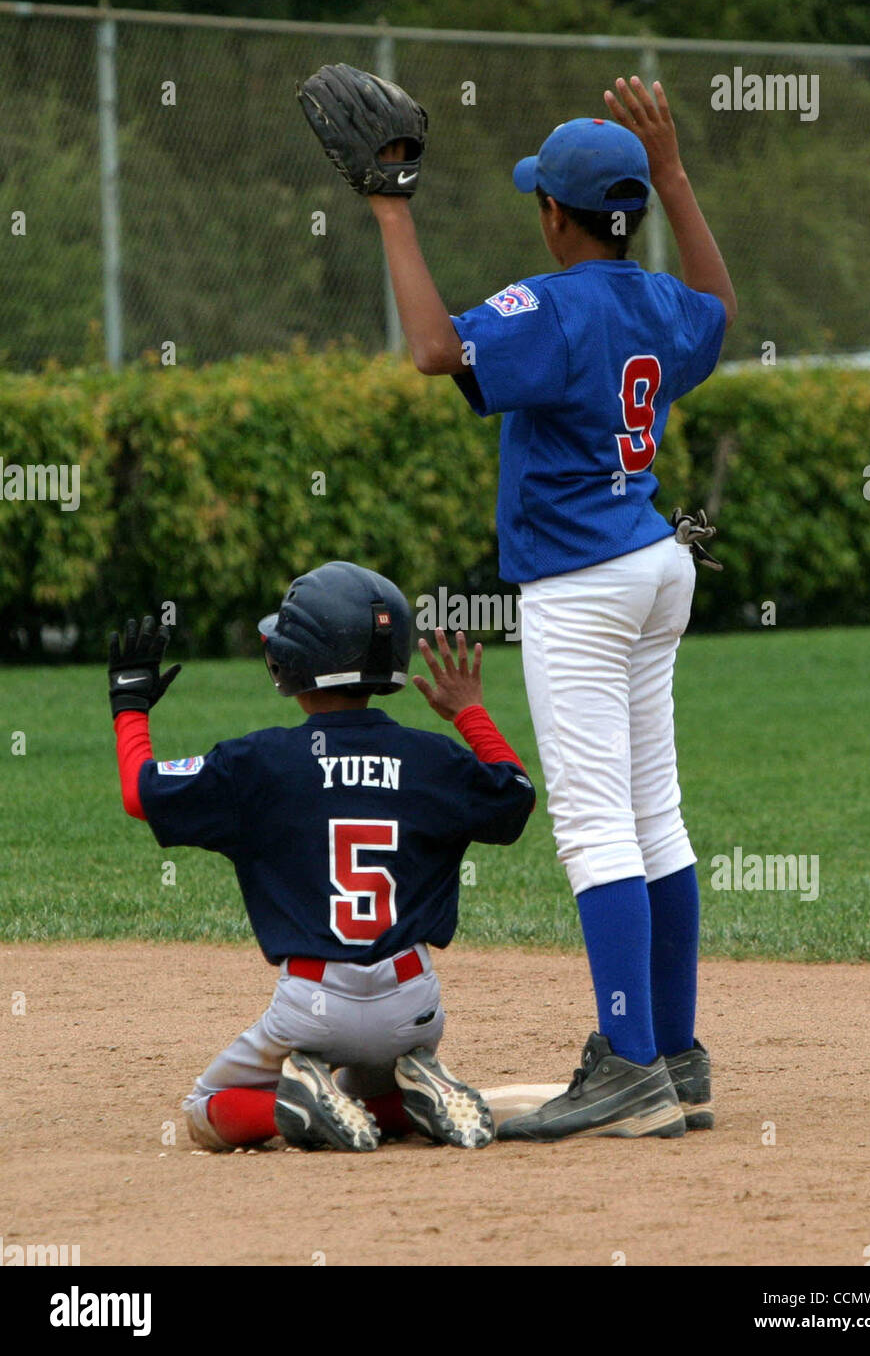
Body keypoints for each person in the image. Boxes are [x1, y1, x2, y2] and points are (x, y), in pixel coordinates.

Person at [367, 77, 736, 1140]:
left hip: (583, 581)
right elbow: (721, 311)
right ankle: (674, 1053)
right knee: (653, 812)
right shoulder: (660, 301)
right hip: (657, 565)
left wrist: (392, 209)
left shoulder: (551, 303)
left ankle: (627, 1066)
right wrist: (674, 174)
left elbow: (438, 349)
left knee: (593, 825)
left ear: (554, 216)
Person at [107, 562, 535, 1151]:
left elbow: (139, 794)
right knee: (362, 1084)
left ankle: (298, 1106)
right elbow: (516, 796)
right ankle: (407, 1104)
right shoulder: (434, 760)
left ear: (289, 665)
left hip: (312, 1005)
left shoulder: (258, 763)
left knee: (205, 1109)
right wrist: (469, 712)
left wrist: (130, 704)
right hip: (411, 1006)